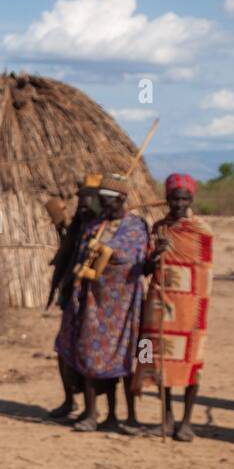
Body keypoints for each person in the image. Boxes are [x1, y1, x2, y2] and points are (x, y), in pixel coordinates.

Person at [56, 170, 149, 433]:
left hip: (123, 304)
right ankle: (90, 413)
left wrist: (108, 254)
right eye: (102, 199)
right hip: (93, 302)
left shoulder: (135, 227)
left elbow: (133, 259)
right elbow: (81, 256)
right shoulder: (94, 227)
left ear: (121, 199)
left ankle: (126, 416)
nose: (104, 204)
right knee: (89, 353)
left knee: (125, 359)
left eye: (108, 199)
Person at [133, 173, 213, 441]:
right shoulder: (158, 229)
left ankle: (187, 422)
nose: (179, 203)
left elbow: (205, 272)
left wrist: (197, 304)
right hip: (159, 302)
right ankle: (166, 418)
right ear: (166, 199)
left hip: (190, 306)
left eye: (184, 198)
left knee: (191, 362)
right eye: (174, 198)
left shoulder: (201, 231)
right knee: (159, 361)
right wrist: (157, 254)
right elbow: (145, 268)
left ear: (191, 199)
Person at [48, 175, 103, 419]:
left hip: (98, 302)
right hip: (72, 297)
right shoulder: (79, 226)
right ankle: (69, 399)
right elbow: (67, 255)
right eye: (81, 198)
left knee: (91, 352)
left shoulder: (103, 228)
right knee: (63, 349)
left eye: (88, 198)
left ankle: (94, 409)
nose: (83, 203)